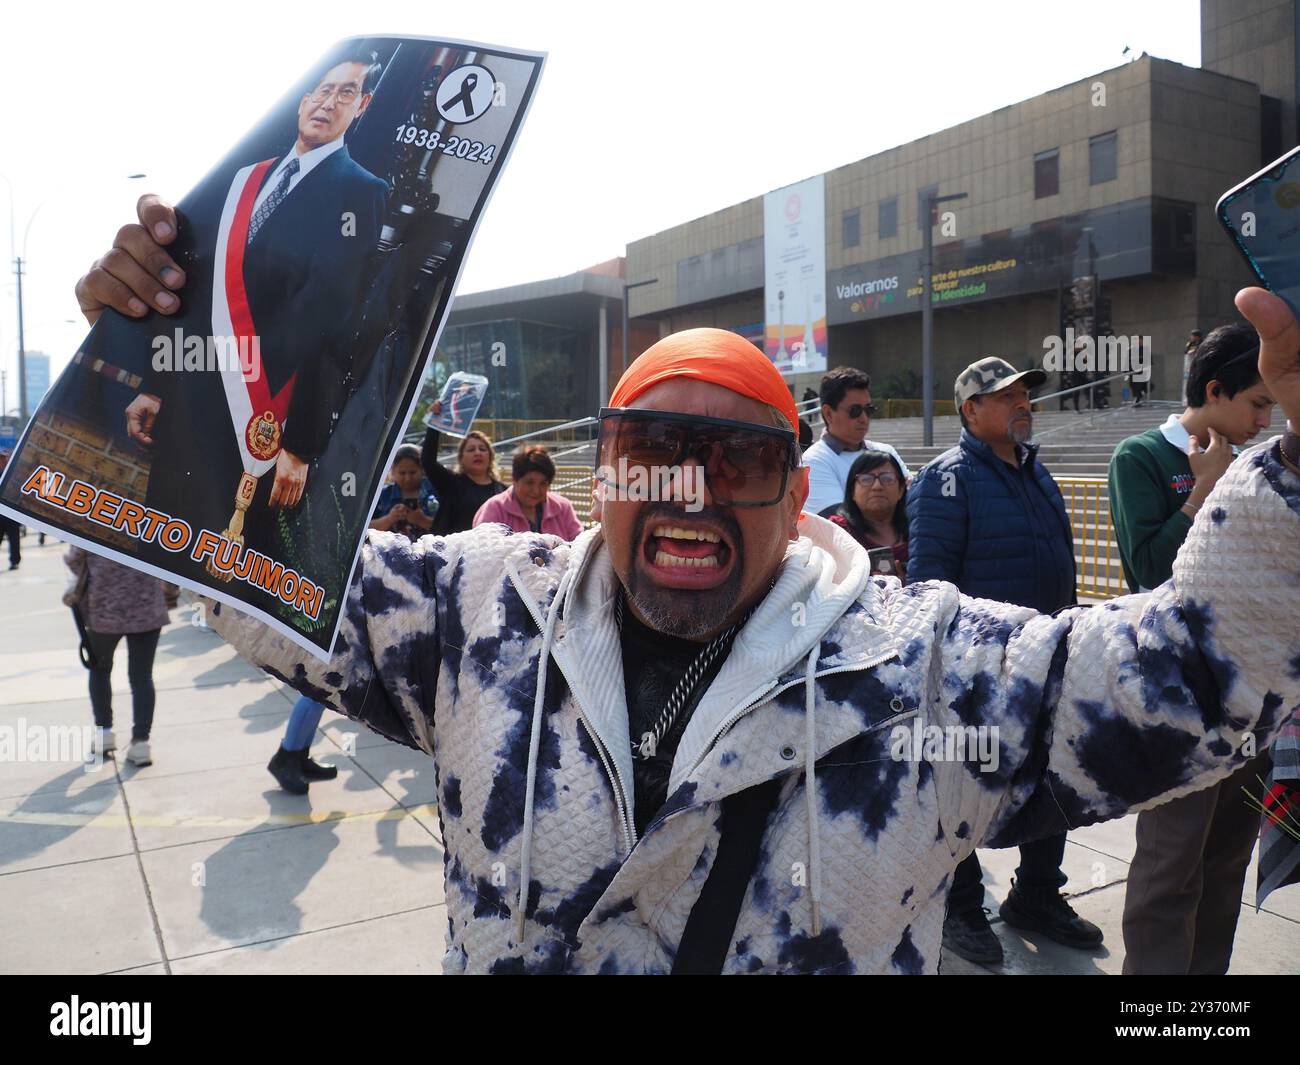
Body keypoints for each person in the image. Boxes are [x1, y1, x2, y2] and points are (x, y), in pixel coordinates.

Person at [74, 223, 1300, 974]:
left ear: (792, 485)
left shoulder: (925, 671)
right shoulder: (475, 617)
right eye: (652, 450)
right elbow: (230, 554)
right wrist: (148, 353)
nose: (691, 491)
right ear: (606, 469)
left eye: (740, 460)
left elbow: (1186, 676)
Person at [74, 50, 388, 581]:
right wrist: (156, 384)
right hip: (190, 402)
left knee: (236, 580)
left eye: (346, 93)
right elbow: (197, 292)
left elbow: (334, 324)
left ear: (362, 107)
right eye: (321, 89)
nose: (327, 102)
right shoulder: (245, 180)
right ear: (301, 100)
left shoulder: (361, 191)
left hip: (264, 424)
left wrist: (300, 444)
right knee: (170, 549)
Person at [908, 356, 1100, 966]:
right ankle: (959, 906)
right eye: (1007, 396)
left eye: (1025, 394)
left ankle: (1037, 894)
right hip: (978, 673)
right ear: (971, 410)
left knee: (1052, 780)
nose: (1023, 404)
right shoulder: (945, 480)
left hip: (1048, 663)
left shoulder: (1036, 471)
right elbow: (929, 589)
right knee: (962, 788)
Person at [1109, 322, 1277, 974]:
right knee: (1170, 865)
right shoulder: (1142, 457)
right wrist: (1206, 486)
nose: (1266, 418)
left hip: (1252, 695)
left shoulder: (1258, 467)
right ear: (1214, 389)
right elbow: (1150, 570)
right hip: (1178, 697)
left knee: (1227, 858)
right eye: (1257, 402)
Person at [266, 444, 436, 794]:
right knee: (322, 680)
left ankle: (296, 753)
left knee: (327, 681)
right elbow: (354, 531)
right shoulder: (345, 487)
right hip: (350, 594)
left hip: (378, 595)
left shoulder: (372, 484)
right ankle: (288, 755)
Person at [64, 547, 170, 766]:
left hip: (104, 605)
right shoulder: (153, 513)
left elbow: (74, 559)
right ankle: (141, 742)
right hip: (147, 604)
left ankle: (104, 733)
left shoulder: (92, 515)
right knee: (142, 676)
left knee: (100, 669)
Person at [801, 366, 908, 515]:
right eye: (855, 411)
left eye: (868, 409)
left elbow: (915, 503)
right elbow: (840, 525)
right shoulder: (813, 461)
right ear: (828, 414)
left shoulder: (886, 452)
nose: (863, 418)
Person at [420, 403, 506, 534]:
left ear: (490, 457)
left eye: (482, 449)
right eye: (471, 449)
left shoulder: (503, 492)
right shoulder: (451, 483)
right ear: (461, 458)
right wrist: (435, 424)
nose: (477, 453)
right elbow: (428, 461)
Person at [826, 450, 908, 580]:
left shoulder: (918, 531)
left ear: (901, 489)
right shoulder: (838, 532)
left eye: (887, 479)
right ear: (852, 490)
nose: (877, 486)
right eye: (866, 479)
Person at [473, 445, 582, 539]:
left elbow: (579, 548)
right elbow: (483, 553)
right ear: (514, 479)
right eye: (529, 483)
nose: (536, 491)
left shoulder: (563, 507)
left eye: (543, 484)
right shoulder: (494, 508)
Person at [370, 443, 439, 540]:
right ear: (393, 472)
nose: (408, 478)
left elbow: (451, 527)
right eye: (402, 473)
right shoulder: (381, 495)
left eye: (412, 472)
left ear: (422, 470)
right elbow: (365, 528)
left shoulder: (436, 492)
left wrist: (423, 520)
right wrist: (389, 519)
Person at [0, 449, 18, 570]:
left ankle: (14, 561)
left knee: (14, 539)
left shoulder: (13, 473)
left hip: (11, 515)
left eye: (3, 458)